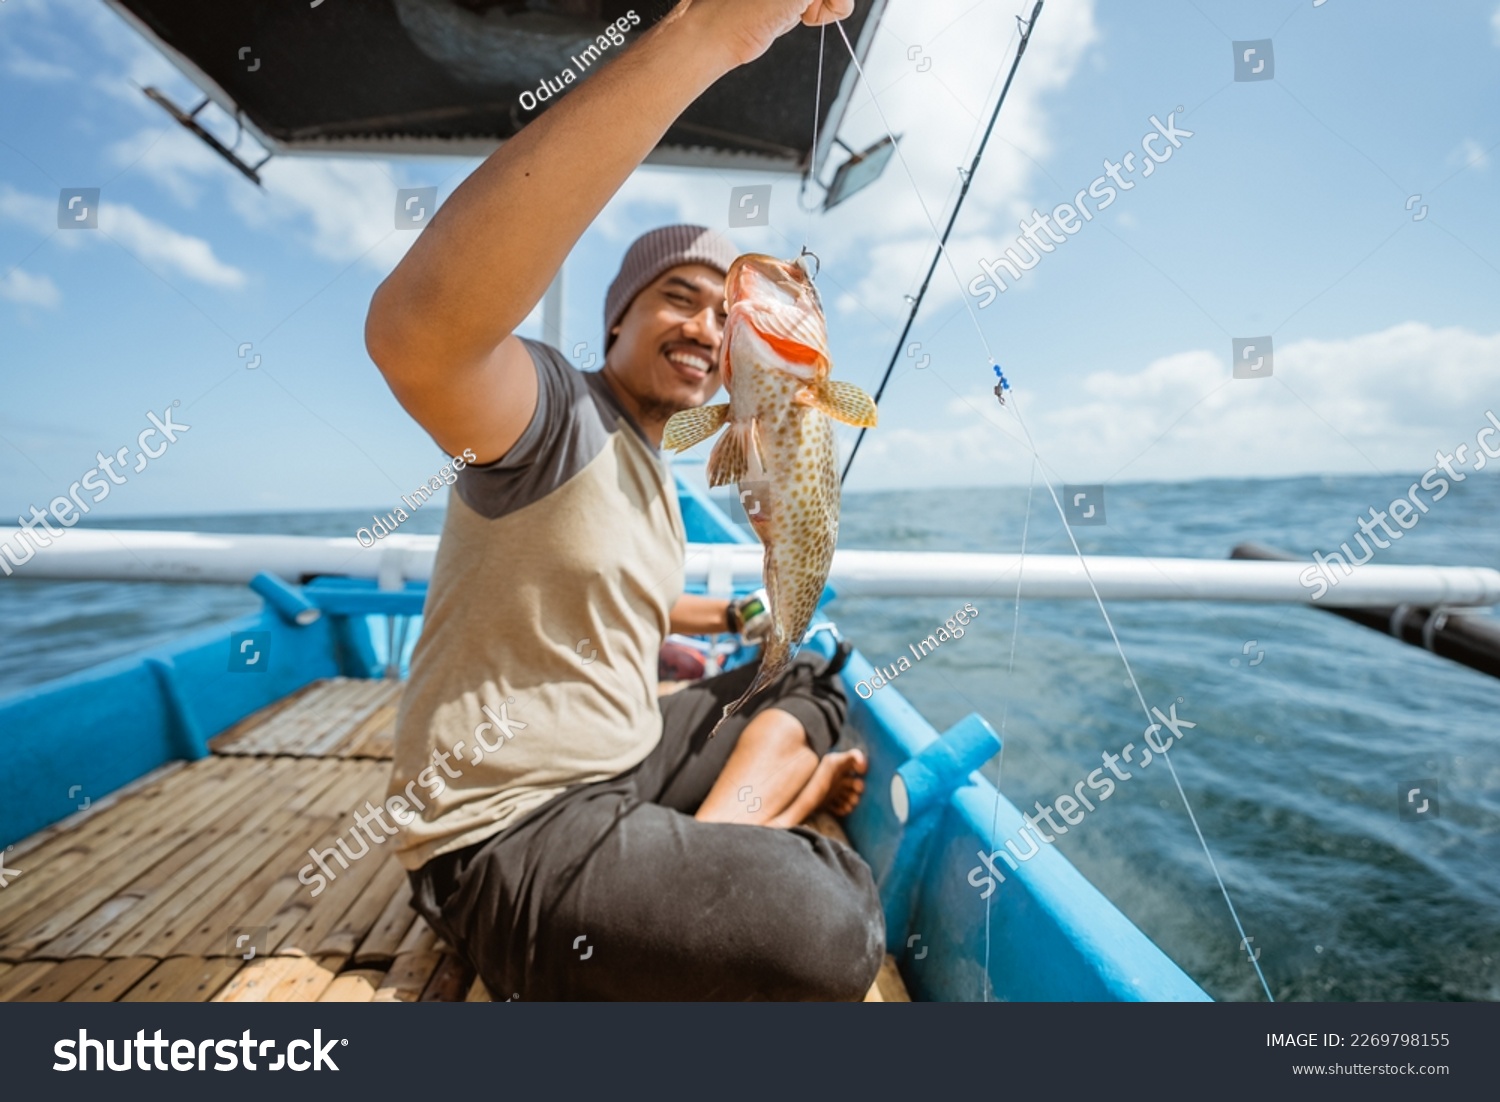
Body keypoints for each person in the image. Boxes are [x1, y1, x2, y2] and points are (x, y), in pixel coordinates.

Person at [364, 0, 883, 1001]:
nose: (705, 324)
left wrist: (741, 613)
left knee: (808, 675)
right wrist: (706, 36)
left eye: (724, 315)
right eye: (678, 298)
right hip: (508, 827)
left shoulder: (659, 462)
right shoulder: (552, 409)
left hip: (625, 756)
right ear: (616, 323)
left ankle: (693, 850)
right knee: (828, 923)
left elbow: (633, 611)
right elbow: (419, 333)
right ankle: (726, 843)